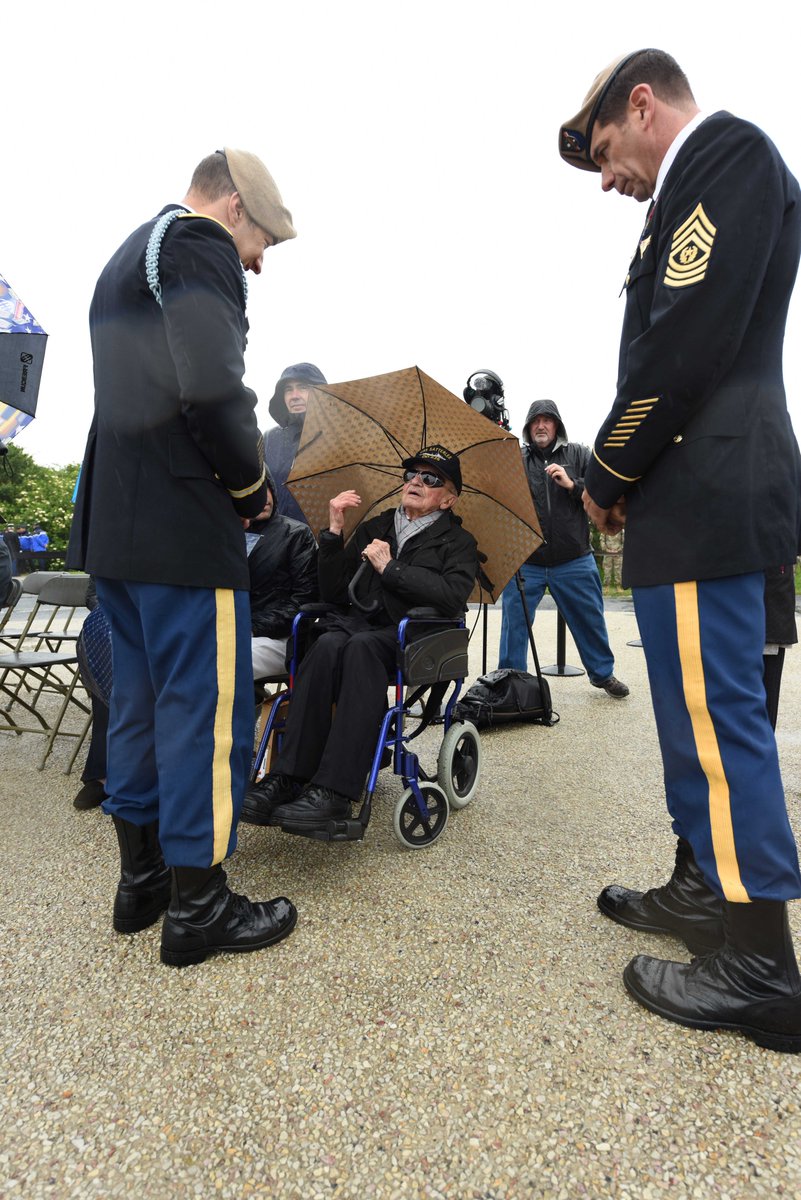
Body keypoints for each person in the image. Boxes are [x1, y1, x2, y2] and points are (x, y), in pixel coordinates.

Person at [560, 49, 801, 1050]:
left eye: (604, 152)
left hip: (709, 485)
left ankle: (760, 967)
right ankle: (703, 887)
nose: (607, 180)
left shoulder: (723, 154)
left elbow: (683, 342)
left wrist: (608, 471)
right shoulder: (689, 187)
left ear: (642, 103)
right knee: (690, 720)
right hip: (688, 488)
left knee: (716, 720)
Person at [66, 147, 299, 967]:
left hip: (121, 530)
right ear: (233, 207)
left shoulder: (128, 252)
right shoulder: (198, 242)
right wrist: (251, 486)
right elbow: (212, 386)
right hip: (183, 529)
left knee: (135, 707)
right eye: (261, 242)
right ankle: (200, 908)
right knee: (204, 716)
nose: (258, 263)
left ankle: (143, 882)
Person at [242, 445, 479, 834]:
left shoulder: (459, 542)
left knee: (358, 648)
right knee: (325, 644)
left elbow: (452, 597)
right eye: (412, 475)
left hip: (410, 635)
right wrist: (334, 534)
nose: (416, 482)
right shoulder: (376, 527)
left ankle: (335, 790)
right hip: (357, 626)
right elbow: (334, 592)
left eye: (430, 478)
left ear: (448, 499)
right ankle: (288, 777)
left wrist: (391, 568)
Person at [497, 400, 629, 698]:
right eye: (535, 421)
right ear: (528, 427)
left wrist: (572, 485)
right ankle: (510, 682)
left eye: (547, 420)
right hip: (527, 559)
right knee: (514, 624)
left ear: (557, 425)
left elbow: (601, 492)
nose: (541, 426)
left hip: (574, 558)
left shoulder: (579, 454)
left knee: (590, 619)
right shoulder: (516, 459)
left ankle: (603, 674)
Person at [247, 467, 318, 679]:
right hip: (228, 633)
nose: (264, 498)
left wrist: (252, 627)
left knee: (225, 662)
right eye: (254, 491)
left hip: (280, 639)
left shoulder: (295, 535)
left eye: (267, 488)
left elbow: (304, 600)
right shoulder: (224, 534)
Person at [263, 362, 327, 523]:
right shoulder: (270, 438)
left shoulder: (337, 437)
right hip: (273, 532)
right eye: (288, 389)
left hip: (318, 533)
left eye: (303, 387)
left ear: (320, 391)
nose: (294, 396)